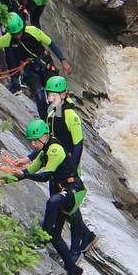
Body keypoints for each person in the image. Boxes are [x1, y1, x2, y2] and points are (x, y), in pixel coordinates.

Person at [15, 117, 90, 275]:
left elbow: (44, 176)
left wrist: (25, 175)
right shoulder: (44, 152)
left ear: (43, 137)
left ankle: (42, 238)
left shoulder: (55, 150)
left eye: (34, 141)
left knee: (53, 202)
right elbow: (29, 171)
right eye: (31, 142)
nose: (32, 145)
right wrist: (9, 177)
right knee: (55, 234)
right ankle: (75, 270)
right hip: (62, 193)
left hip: (72, 191)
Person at [0, 12, 71, 118]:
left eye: (19, 33)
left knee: (54, 93)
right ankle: (45, 123)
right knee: (39, 95)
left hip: (46, 64)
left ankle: (59, 119)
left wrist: (63, 61)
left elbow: (51, 43)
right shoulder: (8, 38)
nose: (17, 36)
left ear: (22, 28)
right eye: (14, 35)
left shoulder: (33, 31)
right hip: (31, 69)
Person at [45, 75, 97, 253]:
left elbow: (78, 144)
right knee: (63, 205)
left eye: (55, 94)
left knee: (70, 208)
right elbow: (51, 138)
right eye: (49, 94)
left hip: (68, 167)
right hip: (58, 165)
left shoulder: (70, 114)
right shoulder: (54, 111)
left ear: (64, 94)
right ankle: (86, 235)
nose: (51, 98)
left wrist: (72, 170)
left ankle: (76, 248)